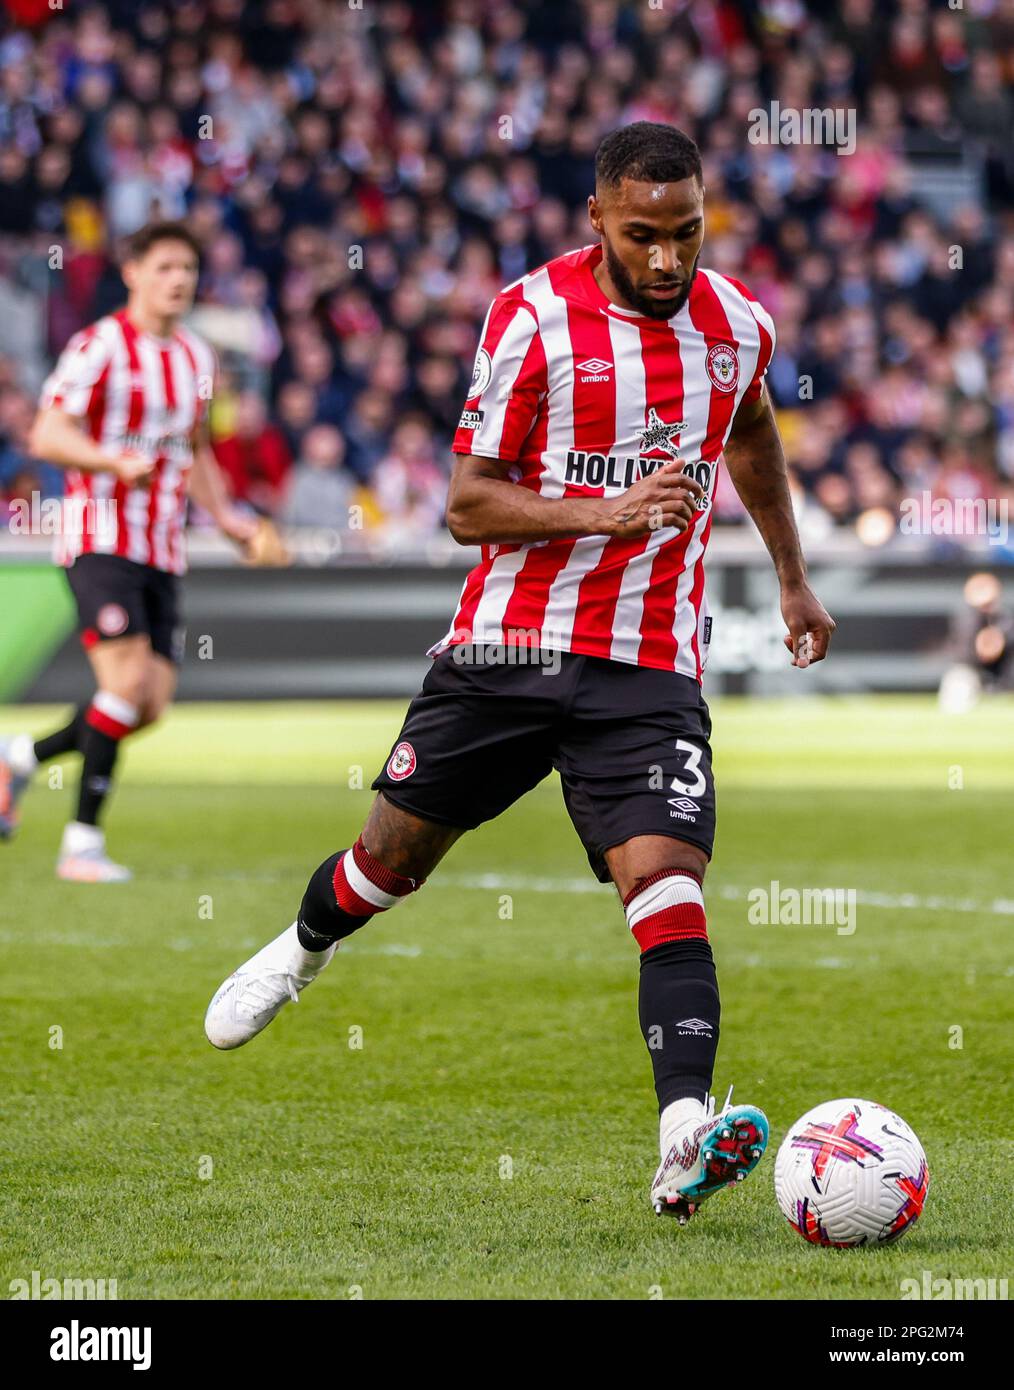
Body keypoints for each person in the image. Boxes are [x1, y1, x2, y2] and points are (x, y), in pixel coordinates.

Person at [204, 123, 835, 1223]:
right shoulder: (532, 315)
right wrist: (608, 511)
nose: (667, 259)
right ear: (597, 219)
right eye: (642, 235)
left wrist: (792, 576)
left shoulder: (740, 326)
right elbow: (466, 504)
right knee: (388, 861)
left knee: (668, 885)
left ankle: (682, 1133)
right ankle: (302, 951)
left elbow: (752, 434)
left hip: (646, 664)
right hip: (506, 650)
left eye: (687, 233)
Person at [0, 221, 256, 880]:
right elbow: (47, 434)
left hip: (161, 546)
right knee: (125, 684)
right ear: (133, 273)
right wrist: (111, 461)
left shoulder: (197, 358)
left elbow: (195, 449)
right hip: (100, 536)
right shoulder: (99, 346)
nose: (179, 280)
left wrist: (228, 518)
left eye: (188, 269)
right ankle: (81, 846)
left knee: (147, 705)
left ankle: (19, 758)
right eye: (165, 267)